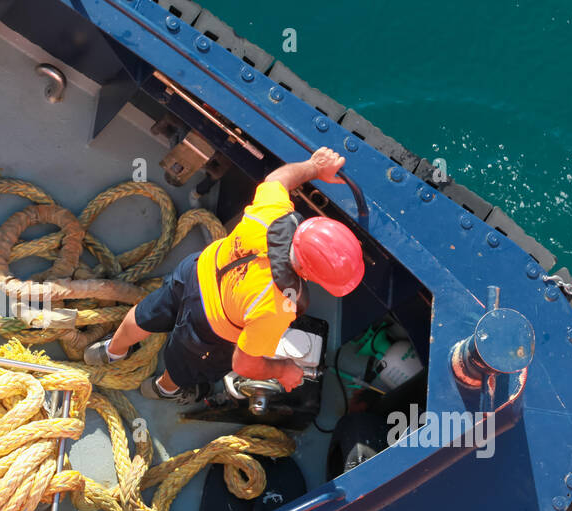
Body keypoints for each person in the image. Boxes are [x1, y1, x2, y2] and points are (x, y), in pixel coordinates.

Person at [85, 147, 365, 402]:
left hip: (195, 272)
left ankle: (111, 350)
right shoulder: (278, 306)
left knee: (149, 311)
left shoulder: (271, 214)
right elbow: (244, 365)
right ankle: (163, 388)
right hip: (208, 328)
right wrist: (283, 370)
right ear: (309, 273)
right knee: (186, 364)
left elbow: (277, 180)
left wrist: (315, 166)